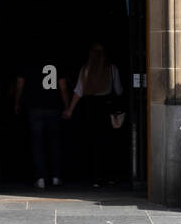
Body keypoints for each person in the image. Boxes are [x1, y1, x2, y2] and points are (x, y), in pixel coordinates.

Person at [63, 43, 123, 187]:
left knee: (93, 142)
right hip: (105, 108)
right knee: (107, 143)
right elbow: (119, 90)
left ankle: (95, 177)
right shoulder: (111, 69)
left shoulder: (86, 69)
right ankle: (109, 176)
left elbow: (78, 91)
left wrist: (70, 109)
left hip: (90, 108)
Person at [14, 34, 68, 190]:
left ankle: (40, 178)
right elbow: (63, 87)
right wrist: (67, 106)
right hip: (54, 107)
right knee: (55, 143)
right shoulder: (57, 62)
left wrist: (17, 103)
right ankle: (56, 176)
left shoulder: (28, 62)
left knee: (38, 144)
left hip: (35, 108)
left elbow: (19, 84)